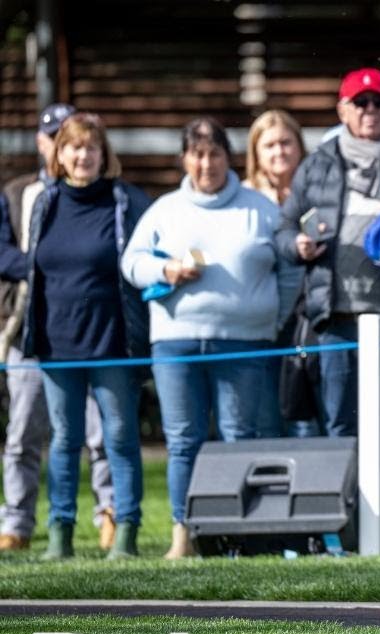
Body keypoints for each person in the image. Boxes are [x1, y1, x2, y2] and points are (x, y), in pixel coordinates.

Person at [122, 118, 296, 559]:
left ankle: (237, 534)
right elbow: (131, 262)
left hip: (245, 341)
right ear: (185, 159)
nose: (207, 163)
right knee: (184, 440)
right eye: (197, 155)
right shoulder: (164, 209)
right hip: (176, 342)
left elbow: (290, 269)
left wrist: (275, 312)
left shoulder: (260, 208)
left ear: (228, 157)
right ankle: (183, 533)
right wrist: (165, 270)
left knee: (240, 436)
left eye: (215, 153)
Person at [276, 68, 380, 549]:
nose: (369, 112)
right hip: (334, 318)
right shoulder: (317, 164)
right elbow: (281, 230)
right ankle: (338, 531)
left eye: (378, 103)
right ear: (342, 110)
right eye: (359, 103)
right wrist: (295, 244)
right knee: (341, 426)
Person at [23, 113, 151, 559]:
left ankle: (126, 532)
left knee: (119, 436)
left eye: (90, 147)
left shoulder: (125, 201)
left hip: (113, 341)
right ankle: (60, 535)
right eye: (73, 147)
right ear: (59, 155)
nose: (82, 155)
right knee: (64, 440)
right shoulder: (45, 202)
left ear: (104, 155)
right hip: (58, 343)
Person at [0, 104, 116, 553]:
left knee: (99, 432)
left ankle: (107, 513)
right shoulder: (16, 193)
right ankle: (17, 523)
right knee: (24, 431)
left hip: (90, 331)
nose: (63, 146)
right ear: (43, 142)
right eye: (55, 137)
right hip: (29, 327)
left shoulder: (107, 196)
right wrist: (43, 268)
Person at [243, 109, 314, 440]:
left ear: (299, 147)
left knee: (310, 422)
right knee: (266, 420)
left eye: (286, 143)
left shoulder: (318, 192)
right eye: (269, 145)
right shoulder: (243, 198)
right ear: (255, 152)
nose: (279, 152)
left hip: (310, 323)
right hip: (260, 327)